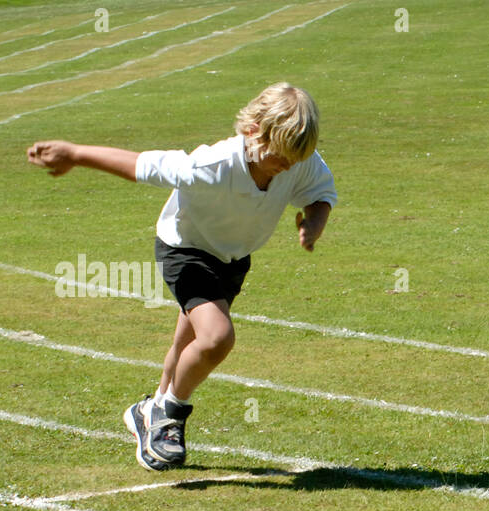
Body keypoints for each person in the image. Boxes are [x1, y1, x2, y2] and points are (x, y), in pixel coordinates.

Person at [26, 82, 337, 470]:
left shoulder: (298, 157)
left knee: (186, 341)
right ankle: (170, 413)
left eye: (296, 159)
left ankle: (149, 410)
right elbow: (141, 165)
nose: (289, 166)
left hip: (233, 257)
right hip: (185, 251)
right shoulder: (210, 166)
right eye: (282, 157)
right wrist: (74, 153)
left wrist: (315, 220)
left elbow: (321, 191)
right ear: (255, 129)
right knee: (216, 337)